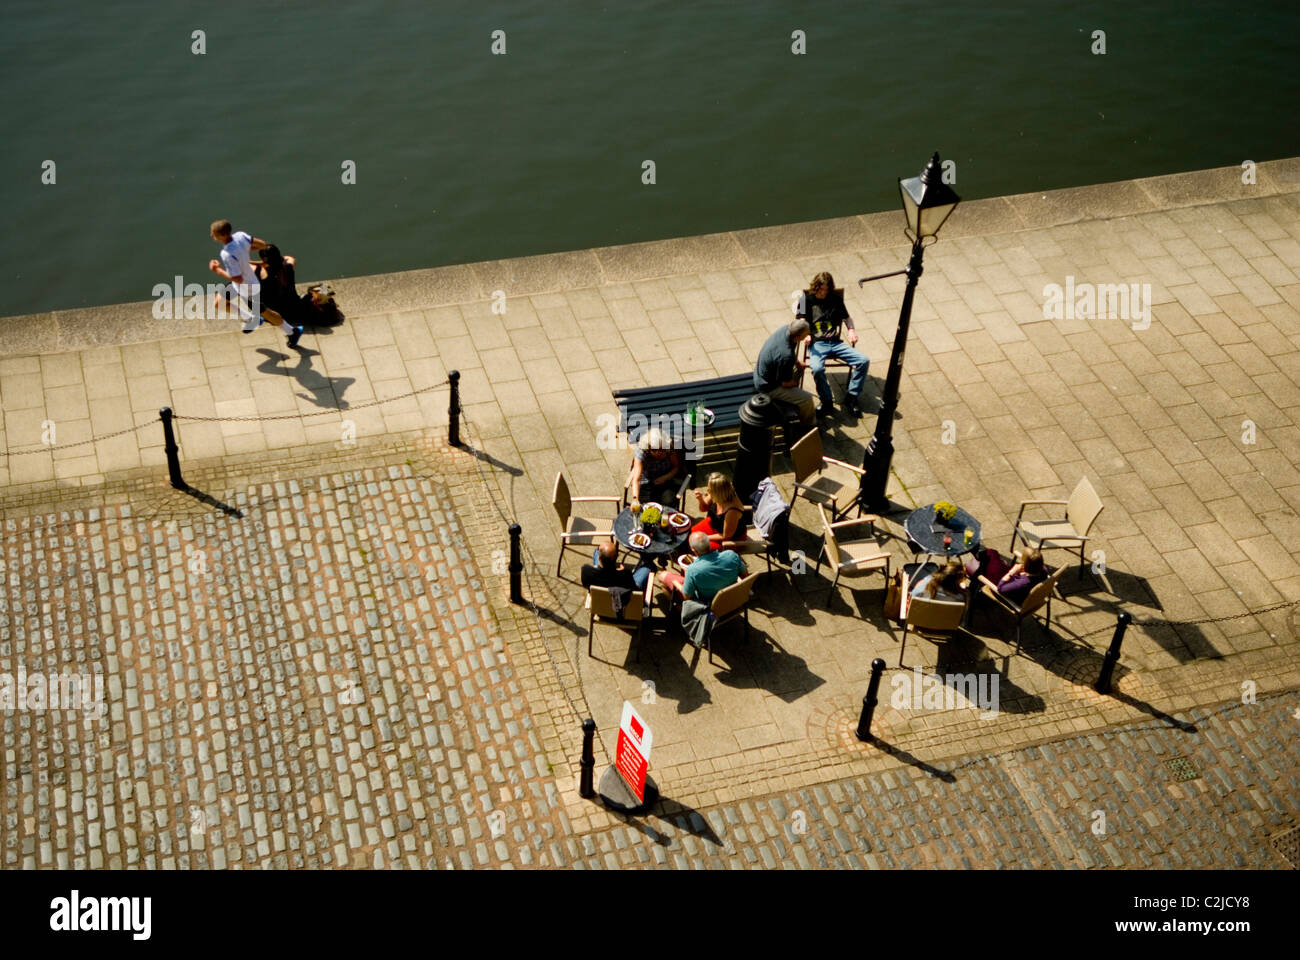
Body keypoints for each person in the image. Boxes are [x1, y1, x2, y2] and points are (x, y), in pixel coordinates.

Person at [208, 219, 304, 348]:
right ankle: (252, 319)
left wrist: (217, 270)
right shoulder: (240, 236)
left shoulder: (227, 254)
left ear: (222, 235)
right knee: (219, 303)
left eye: (213, 233)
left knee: (266, 313)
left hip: (246, 287)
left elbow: (237, 279)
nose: (211, 235)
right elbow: (262, 244)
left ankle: (292, 331)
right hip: (245, 282)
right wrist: (244, 250)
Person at [797, 271, 868, 417]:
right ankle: (826, 401)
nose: (823, 293)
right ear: (815, 287)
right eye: (821, 289)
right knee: (816, 369)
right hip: (817, 343)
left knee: (863, 361)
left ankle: (852, 396)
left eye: (826, 290)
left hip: (835, 342)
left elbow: (848, 319)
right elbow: (801, 320)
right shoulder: (805, 299)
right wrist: (805, 334)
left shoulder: (835, 299)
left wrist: (851, 331)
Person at [753, 318, 816, 432]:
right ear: (798, 337)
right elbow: (786, 383)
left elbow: (790, 353)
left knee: (797, 371)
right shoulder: (786, 355)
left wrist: (797, 363)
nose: (808, 334)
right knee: (807, 399)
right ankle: (808, 428)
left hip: (761, 372)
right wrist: (795, 382)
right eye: (805, 334)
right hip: (767, 387)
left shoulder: (785, 330)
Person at [658, 532, 745, 605]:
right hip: (732, 599)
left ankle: (680, 611)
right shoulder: (731, 555)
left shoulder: (693, 570)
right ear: (709, 544)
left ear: (693, 550)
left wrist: (676, 583)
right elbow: (744, 573)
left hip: (708, 604)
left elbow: (687, 597)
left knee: (662, 576)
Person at [626, 427, 685, 507]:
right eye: (654, 450)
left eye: (661, 449)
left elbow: (676, 467)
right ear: (648, 447)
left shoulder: (669, 449)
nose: (658, 453)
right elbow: (636, 479)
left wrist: (665, 477)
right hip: (647, 481)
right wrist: (635, 498)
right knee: (647, 506)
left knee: (668, 501)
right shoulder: (642, 451)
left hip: (665, 480)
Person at [689, 472, 749, 545]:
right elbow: (703, 509)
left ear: (718, 492)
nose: (707, 490)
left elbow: (726, 536)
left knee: (699, 546)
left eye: (710, 489)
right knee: (690, 534)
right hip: (714, 525)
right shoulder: (716, 494)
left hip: (731, 540)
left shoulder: (732, 511)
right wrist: (700, 499)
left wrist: (705, 538)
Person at [253, 244, 306, 327]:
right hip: (294, 308)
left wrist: (259, 262)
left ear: (265, 260)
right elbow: (289, 258)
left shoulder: (262, 271)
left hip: (277, 313)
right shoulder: (288, 266)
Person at [581, 540, 651, 592]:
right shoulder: (625, 575)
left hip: (599, 601)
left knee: (597, 551)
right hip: (622, 603)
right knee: (650, 566)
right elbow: (633, 588)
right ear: (616, 557)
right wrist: (621, 571)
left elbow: (585, 585)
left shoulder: (586, 570)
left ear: (599, 559)